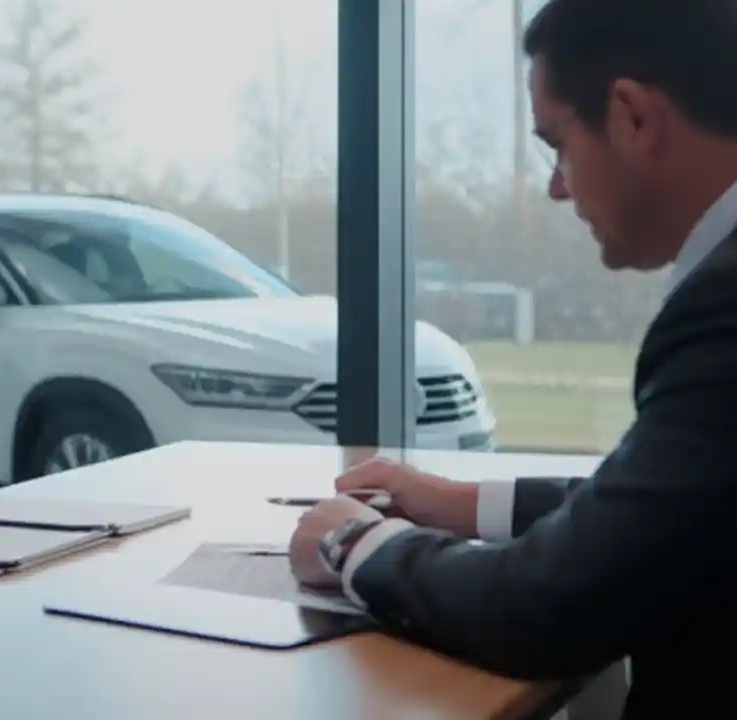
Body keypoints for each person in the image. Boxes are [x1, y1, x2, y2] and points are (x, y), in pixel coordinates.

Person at [288, 0, 737, 717]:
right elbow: (678, 505)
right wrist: (462, 505)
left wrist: (353, 543)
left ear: (633, 117)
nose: (558, 186)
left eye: (555, 142)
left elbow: (551, 608)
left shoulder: (724, 307)